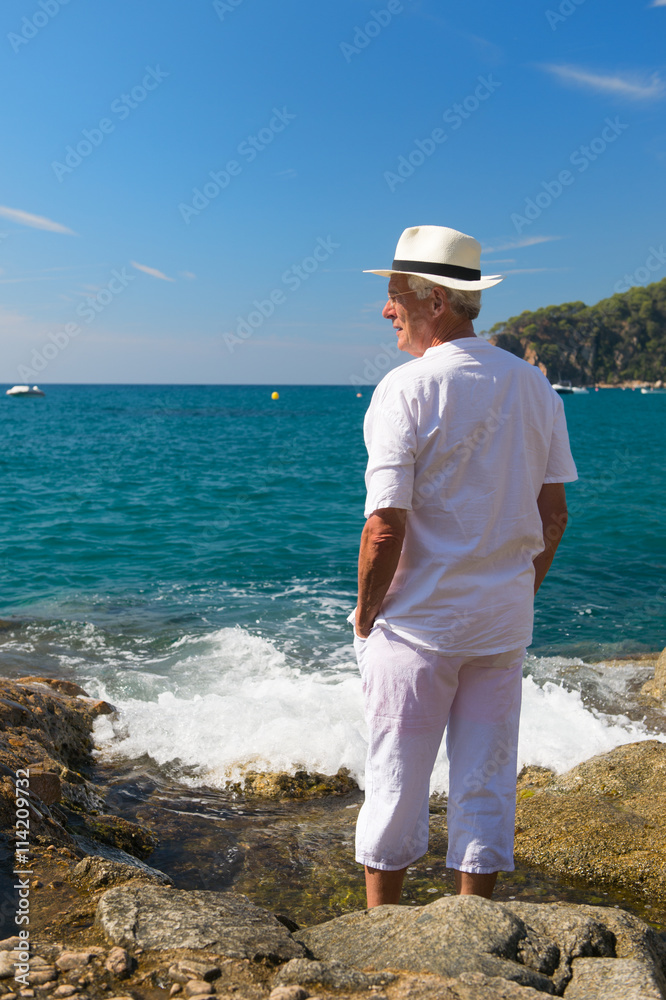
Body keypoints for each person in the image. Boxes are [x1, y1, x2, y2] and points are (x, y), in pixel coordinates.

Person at [349, 225, 577, 908]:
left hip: (418, 627)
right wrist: (515, 588)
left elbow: (385, 524)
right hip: (500, 627)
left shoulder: (407, 388)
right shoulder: (534, 389)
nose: (387, 311)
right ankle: (476, 926)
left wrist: (366, 614)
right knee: (486, 779)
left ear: (433, 301)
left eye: (394, 297)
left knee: (394, 779)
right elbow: (555, 515)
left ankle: (379, 934)